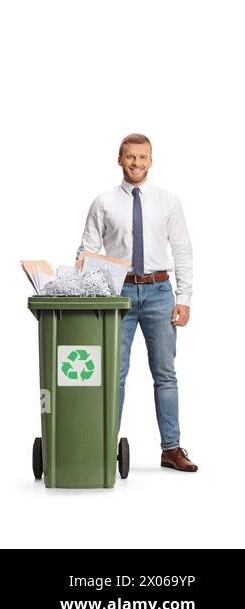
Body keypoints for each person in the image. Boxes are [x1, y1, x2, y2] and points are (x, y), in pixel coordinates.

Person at [77, 133, 196, 471]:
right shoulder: (103, 202)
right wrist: (88, 292)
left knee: (166, 373)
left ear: (151, 161)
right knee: (114, 374)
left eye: (142, 157)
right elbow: (86, 252)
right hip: (120, 295)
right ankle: (104, 446)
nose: (136, 163)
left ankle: (171, 448)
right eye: (130, 157)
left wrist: (183, 297)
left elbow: (183, 250)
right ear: (120, 159)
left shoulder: (167, 201)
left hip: (160, 291)